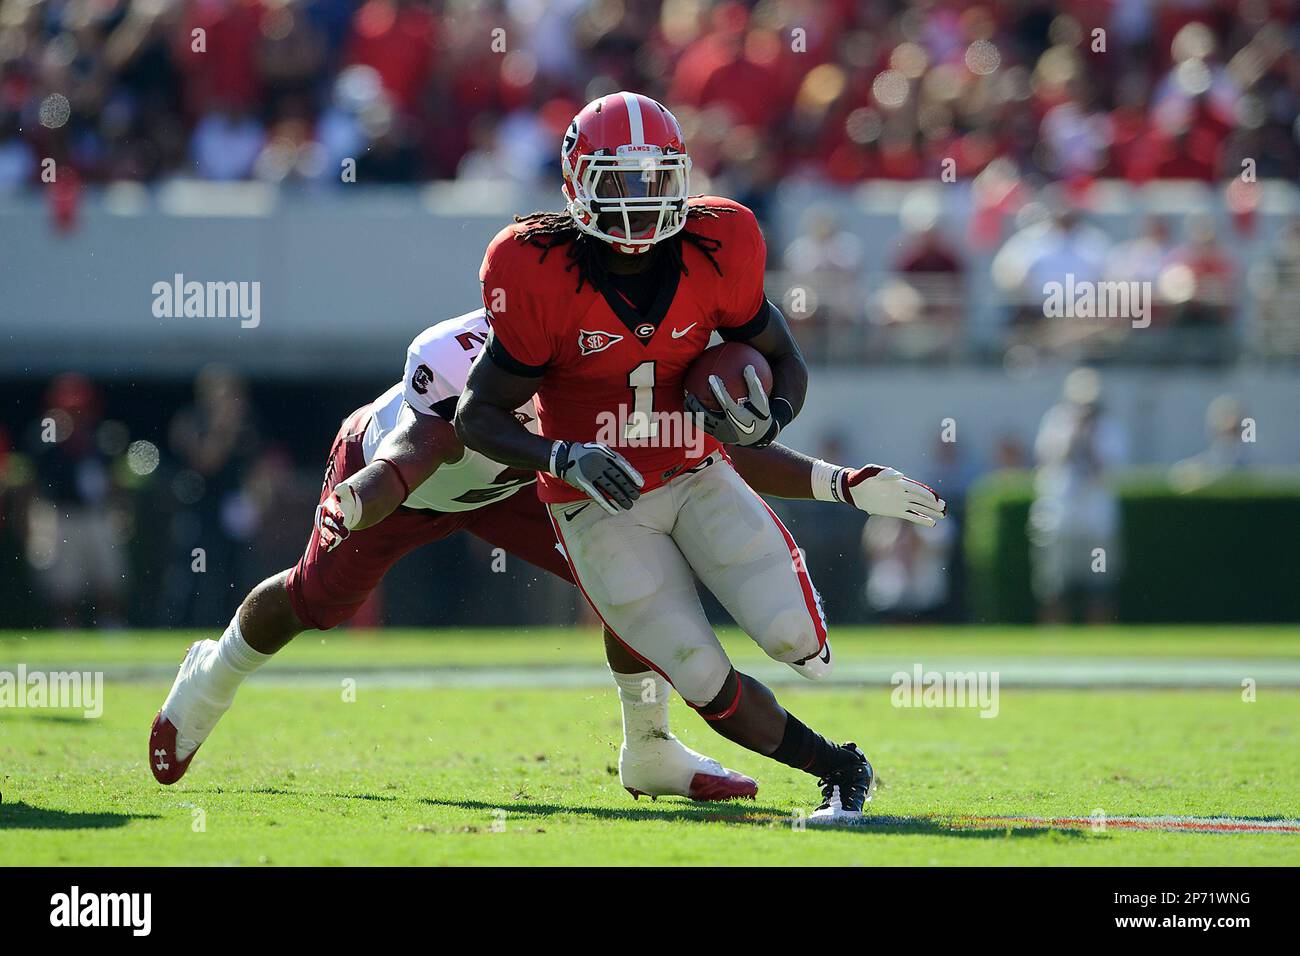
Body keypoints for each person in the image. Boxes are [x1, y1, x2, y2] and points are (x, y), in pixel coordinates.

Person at [150, 309, 946, 806]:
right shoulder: (449, 383)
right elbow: (409, 462)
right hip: (409, 488)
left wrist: (840, 483)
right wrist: (362, 496)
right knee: (315, 601)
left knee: (633, 573)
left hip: (529, 478)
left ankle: (649, 745)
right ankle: (211, 678)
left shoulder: (579, 367)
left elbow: (710, 453)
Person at [455, 92, 947, 823]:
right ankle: (840, 767)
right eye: (619, 180)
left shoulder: (720, 244)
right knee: (699, 673)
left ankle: (675, 744)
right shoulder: (536, 267)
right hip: (598, 506)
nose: (640, 199)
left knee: (795, 637)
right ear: (577, 183)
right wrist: (563, 456)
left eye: (655, 179)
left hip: (695, 472)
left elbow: (787, 361)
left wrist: (768, 417)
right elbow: (477, 417)